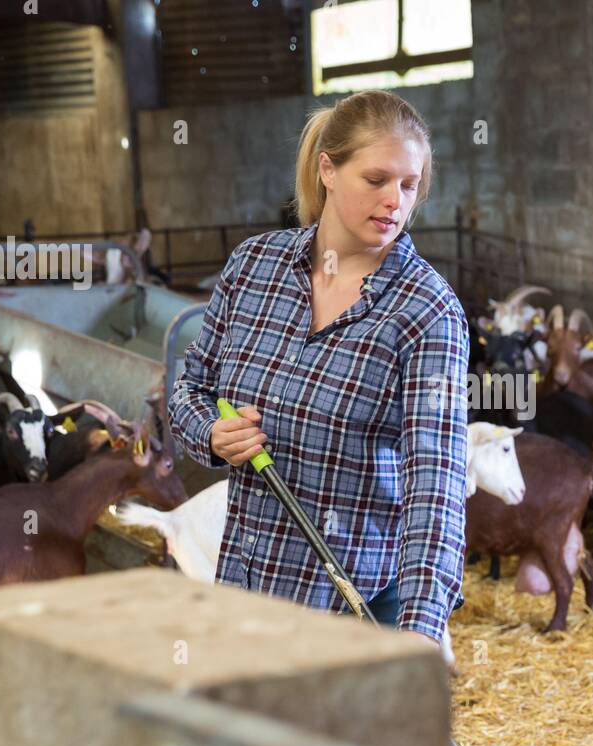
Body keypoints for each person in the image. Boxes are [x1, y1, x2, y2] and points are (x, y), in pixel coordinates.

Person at [168, 90, 469, 653]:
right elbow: (190, 388)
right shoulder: (255, 267)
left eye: (410, 185)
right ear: (328, 170)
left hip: (351, 609)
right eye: (376, 179)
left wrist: (422, 633)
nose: (394, 202)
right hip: (246, 591)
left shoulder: (427, 311)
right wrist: (211, 432)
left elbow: (438, 487)